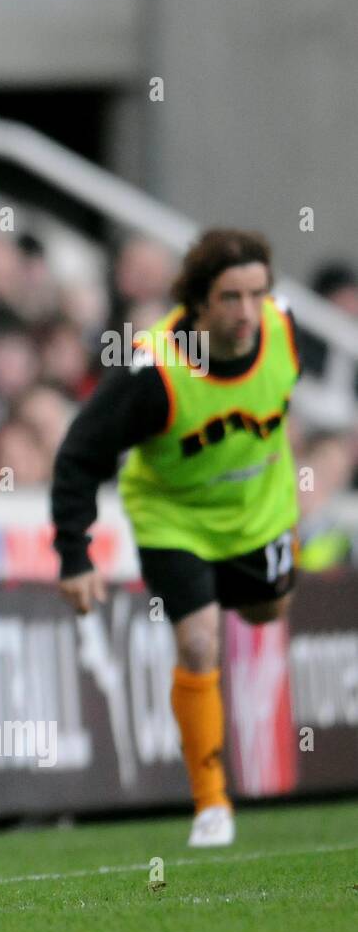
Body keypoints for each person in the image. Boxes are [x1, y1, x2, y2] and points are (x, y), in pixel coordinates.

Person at [51, 228, 299, 848]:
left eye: (256, 295)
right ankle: (212, 804)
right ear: (199, 302)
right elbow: (79, 455)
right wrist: (75, 555)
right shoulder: (154, 372)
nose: (247, 313)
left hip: (258, 512)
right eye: (231, 298)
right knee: (199, 640)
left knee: (268, 611)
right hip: (173, 515)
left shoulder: (286, 331)